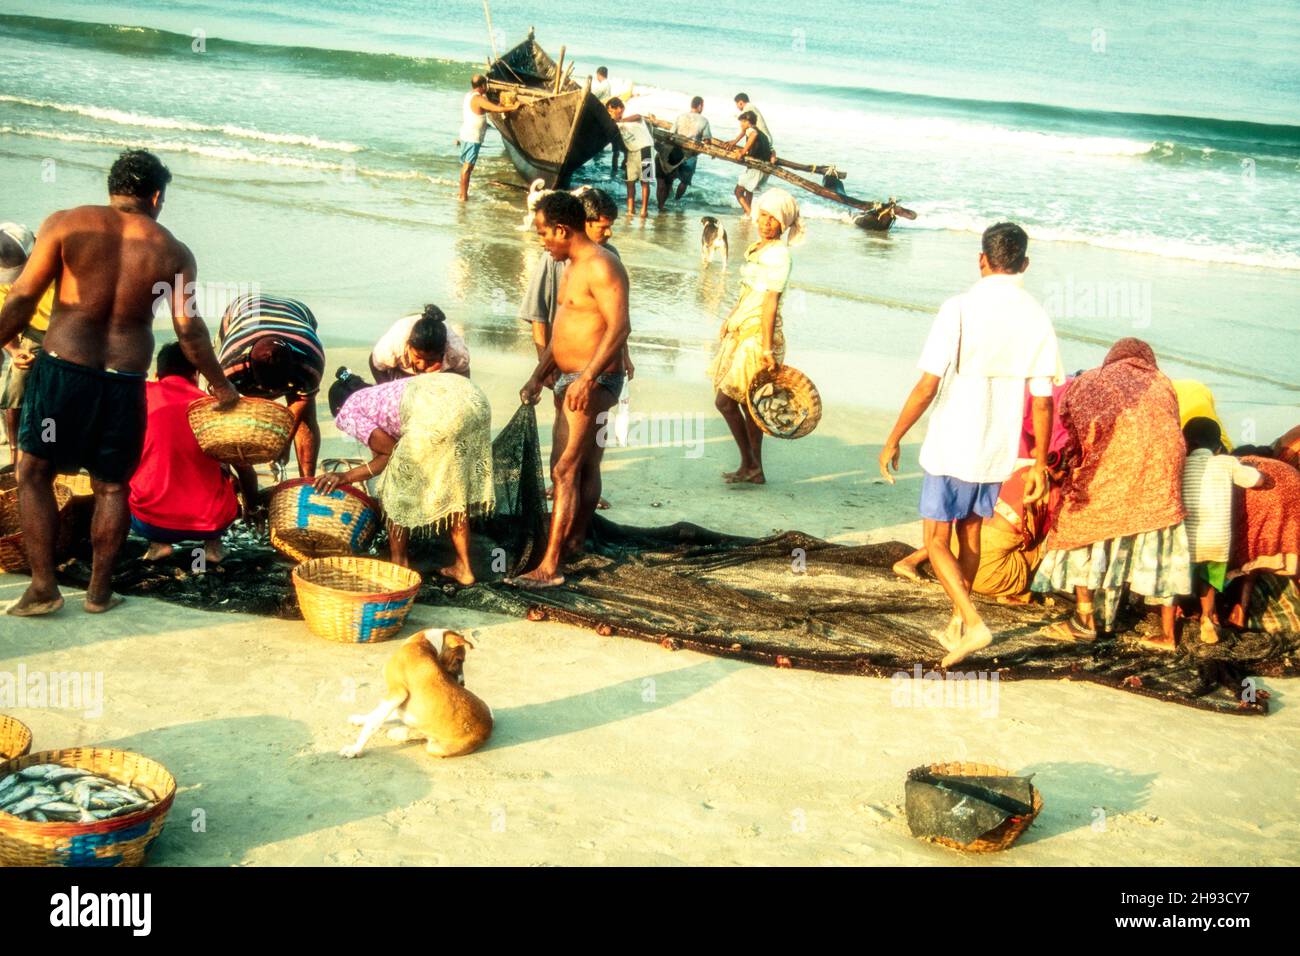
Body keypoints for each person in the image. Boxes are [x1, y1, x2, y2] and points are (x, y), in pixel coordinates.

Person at [0, 149, 239, 617]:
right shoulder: (174, 252)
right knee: (112, 487)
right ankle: (98, 594)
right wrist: (221, 385)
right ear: (155, 196)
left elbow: (24, 297)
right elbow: (189, 329)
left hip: (63, 370)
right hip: (124, 379)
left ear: (113, 188)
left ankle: (44, 588)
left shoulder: (66, 224)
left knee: (34, 472)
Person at [880, 222, 1060, 668]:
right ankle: (956, 626)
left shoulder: (958, 309)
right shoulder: (1035, 315)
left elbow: (927, 385)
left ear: (982, 259)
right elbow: (1043, 400)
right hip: (996, 451)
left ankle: (973, 621)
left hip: (952, 443)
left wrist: (894, 436)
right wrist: (1037, 464)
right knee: (971, 533)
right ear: (1025, 264)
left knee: (936, 539)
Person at [1031, 339, 1192, 650]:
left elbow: (1072, 429)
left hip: (1110, 474)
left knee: (1079, 530)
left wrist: (1069, 465)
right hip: (1160, 481)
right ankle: (1163, 633)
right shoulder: (1162, 382)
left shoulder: (1091, 379)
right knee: (1146, 545)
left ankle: (1085, 620)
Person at [317, 313, 492, 582]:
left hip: (445, 414)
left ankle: (400, 564)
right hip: (474, 400)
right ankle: (464, 567)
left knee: (395, 493)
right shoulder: (382, 392)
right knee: (454, 487)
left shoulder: (349, 410)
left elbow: (389, 453)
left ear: (337, 409)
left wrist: (345, 477)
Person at [513, 192, 630, 588]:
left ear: (562, 229)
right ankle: (576, 539)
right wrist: (538, 373)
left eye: (545, 233)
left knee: (565, 469)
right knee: (580, 466)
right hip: (569, 376)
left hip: (593, 379)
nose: (543, 240)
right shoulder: (569, 266)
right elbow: (562, 334)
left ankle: (550, 566)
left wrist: (586, 379)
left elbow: (619, 328)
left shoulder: (602, 266)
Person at [709, 189, 804, 487]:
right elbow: (749, 291)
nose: (765, 222)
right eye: (762, 215)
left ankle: (751, 464)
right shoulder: (759, 247)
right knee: (750, 405)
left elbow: (770, 303)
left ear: (784, 223)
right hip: (745, 329)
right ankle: (753, 468)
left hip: (759, 337)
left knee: (726, 402)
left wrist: (766, 348)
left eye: (773, 218)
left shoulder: (779, 254)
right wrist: (730, 317)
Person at [129, 342, 245, 565]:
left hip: (150, 520)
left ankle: (158, 545)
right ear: (196, 374)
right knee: (221, 464)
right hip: (211, 521)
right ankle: (213, 546)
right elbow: (242, 465)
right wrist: (252, 500)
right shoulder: (213, 405)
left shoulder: (140, 395)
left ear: (157, 374)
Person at [893, 462, 1052, 605]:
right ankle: (1012, 592)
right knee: (1039, 544)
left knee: (967, 531)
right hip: (985, 575)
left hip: (950, 551)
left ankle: (910, 560)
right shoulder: (1053, 490)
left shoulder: (1018, 469)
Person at [217, 292, 325, 478]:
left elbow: (302, 399)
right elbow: (219, 407)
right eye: (267, 388)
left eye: (278, 388)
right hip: (243, 308)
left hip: (298, 313)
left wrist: (284, 441)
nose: (273, 393)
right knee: (226, 413)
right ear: (249, 367)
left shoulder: (310, 358)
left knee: (306, 416)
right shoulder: (229, 364)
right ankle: (224, 476)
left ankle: (306, 481)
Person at [1181, 416, 1261, 644]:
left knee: (1182, 577)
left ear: (1188, 443)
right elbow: (1254, 480)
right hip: (1218, 539)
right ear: (1217, 446)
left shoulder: (1182, 463)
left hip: (1187, 539)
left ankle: (1178, 609)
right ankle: (1207, 617)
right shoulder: (1227, 462)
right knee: (1209, 580)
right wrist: (1260, 472)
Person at [1225, 446, 1300, 629]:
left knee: (1247, 556)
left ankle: (1239, 614)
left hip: (1261, 496)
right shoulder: (1277, 463)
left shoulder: (1234, 464)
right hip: (1294, 485)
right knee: (1295, 552)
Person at [0, 222, 55, 466]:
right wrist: (15, 351)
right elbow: (5, 318)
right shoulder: (3, 273)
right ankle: (14, 452)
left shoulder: (58, 261)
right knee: (15, 386)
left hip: (64, 334)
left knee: (57, 392)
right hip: (31, 334)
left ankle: (51, 449)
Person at [457, 74, 519, 202]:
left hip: (466, 134)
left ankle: (462, 193)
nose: (487, 87)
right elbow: (496, 109)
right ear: (482, 86)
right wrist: (513, 107)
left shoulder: (470, 96)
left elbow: (482, 109)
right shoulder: (479, 99)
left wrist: (499, 104)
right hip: (472, 137)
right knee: (468, 168)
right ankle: (463, 196)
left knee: (466, 167)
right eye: (486, 85)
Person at [369, 304, 471, 382]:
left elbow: (464, 377)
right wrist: (388, 390)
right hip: (402, 370)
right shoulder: (392, 346)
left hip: (442, 373)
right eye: (418, 357)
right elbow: (376, 364)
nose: (422, 365)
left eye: (431, 360)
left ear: (443, 352)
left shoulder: (457, 353)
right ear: (408, 346)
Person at [606, 98, 656, 218]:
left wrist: (621, 120)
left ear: (619, 108)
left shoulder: (629, 110)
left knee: (645, 181)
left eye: (611, 110)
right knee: (630, 182)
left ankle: (644, 210)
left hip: (645, 148)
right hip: (632, 151)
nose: (611, 114)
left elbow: (638, 116)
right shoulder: (616, 121)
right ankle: (630, 209)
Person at [657, 97, 711, 208]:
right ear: (700, 106)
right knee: (684, 181)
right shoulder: (704, 120)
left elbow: (671, 134)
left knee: (669, 178)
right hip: (691, 154)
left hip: (675, 151)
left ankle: (663, 203)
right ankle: (676, 201)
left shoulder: (680, 117)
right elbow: (707, 140)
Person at [732, 112, 775, 215]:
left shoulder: (751, 130)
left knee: (738, 191)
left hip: (756, 168)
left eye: (742, 122)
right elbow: (773, 151)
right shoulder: (764, 135)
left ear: (748, 122)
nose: (741, 125)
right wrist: (771, 166)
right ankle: (746, 214)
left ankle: (750, 214)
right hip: (764, 169)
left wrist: (742, 152)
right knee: (748, 190)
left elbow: (753, 134)